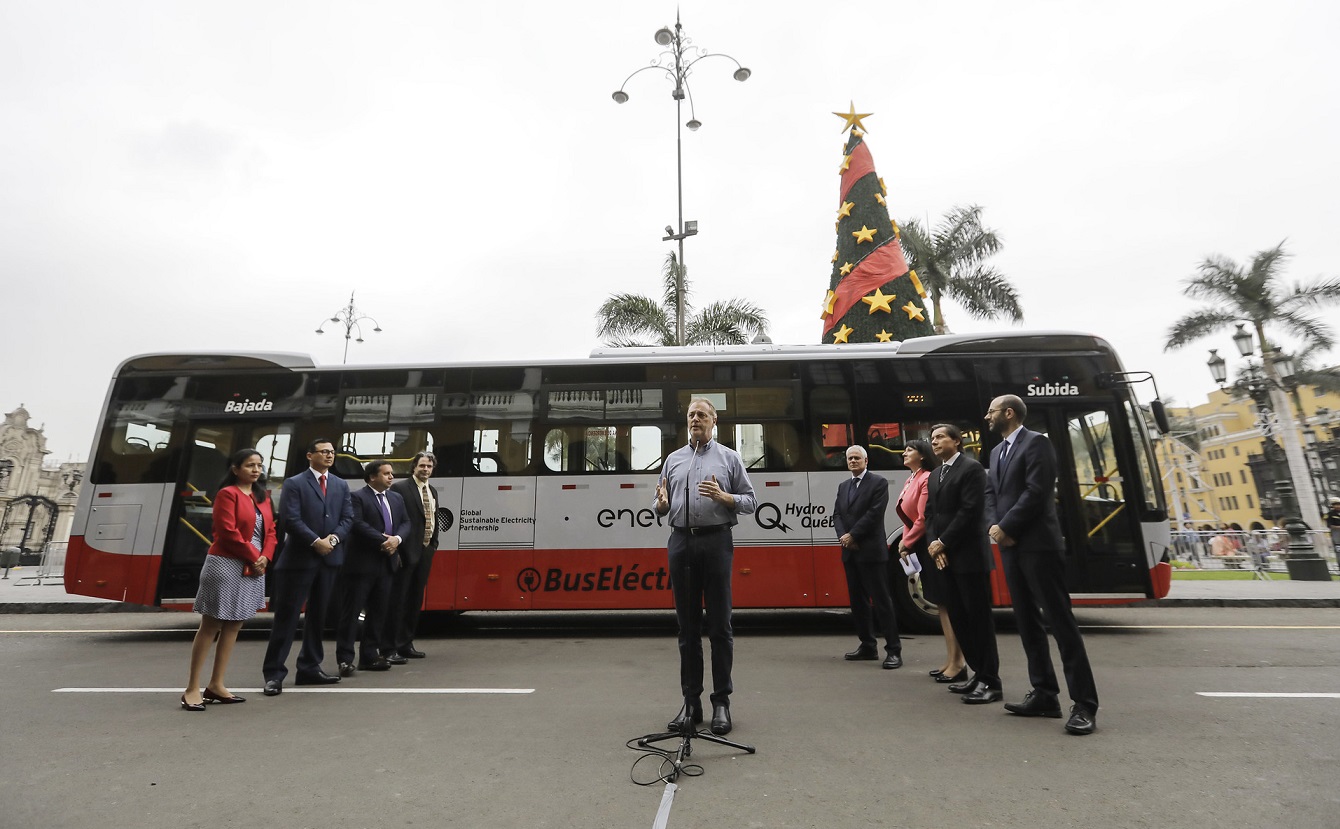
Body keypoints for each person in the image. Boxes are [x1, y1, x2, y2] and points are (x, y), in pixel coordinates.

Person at [984, 394, 1099, 736]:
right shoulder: (996, 451)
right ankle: (1045, 694)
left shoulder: (1038, 444)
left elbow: (1036, 492)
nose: (986, 416)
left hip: (1038, 546)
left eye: (991, 411)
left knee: (1060, 623)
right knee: (1027, 623)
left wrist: (1007, 527)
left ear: (1008, 412)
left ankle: (1084, 705)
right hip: (1010, 547)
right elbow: (992, 494)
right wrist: (995, 527)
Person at [653, 397, 757, 736]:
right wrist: (661, 505)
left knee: (719, 626)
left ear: (714, 422)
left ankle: (721, 702)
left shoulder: (729, 458)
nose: (695, 419)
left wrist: (725, 497)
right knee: (686, 630)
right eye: (690, 415)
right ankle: (691, 703)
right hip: (681, 542)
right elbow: (660, 505)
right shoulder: (673, 459)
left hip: (715, 542)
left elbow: (750, 501)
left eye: (701, 415)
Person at [181, 448, 276, 711]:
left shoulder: (263, 497)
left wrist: (265, 557)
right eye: (249, 465)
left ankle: (216, 684)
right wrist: (255, 556)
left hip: (254, 566)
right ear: (235, 469)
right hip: (226, 564)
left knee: (235, 624)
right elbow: (226, 532)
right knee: (211, 625)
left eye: (259, 465)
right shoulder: (227, 494)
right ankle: (192, 688)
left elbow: (272, 531)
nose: (256, 470)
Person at [261, 438, 354, 696]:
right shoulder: (294, 483)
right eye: (324, 452)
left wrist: (333, 540)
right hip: (299, 561)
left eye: (332, 452)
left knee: (318, 617)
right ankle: (274, 674)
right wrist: (316, 542)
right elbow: (291, 519)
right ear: (310, 455)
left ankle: (310, 668)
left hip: (330, 559)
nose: (329, 455)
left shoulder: (340, 484)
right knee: (287, 618)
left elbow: (348, 518)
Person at [925, 423, 1002, 705]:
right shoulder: (935, 475)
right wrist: (934, 545)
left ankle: (991, 681)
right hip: (945, 558)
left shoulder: (971, 469)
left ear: (957, 441)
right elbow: (929, 515)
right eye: (932, 439)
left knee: (979, 619)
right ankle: (977, 674)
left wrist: (943, 542)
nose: (934, 442)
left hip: (969, 557)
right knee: (959, 618)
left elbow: (971, 511)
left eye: (940, 437)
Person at [896, 439, 966, 684]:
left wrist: (907, 542)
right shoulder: (911, 478)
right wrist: (906, 542)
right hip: (920, 544)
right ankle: (951, 660)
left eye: (909, 450)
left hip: (930, 546)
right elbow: (909, 518)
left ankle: (958, 662)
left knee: (948, 605)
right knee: (942, 606)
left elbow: (924, 517)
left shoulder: (925, 478)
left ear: (922, 456)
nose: (904, 453)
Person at [336, 460, 411, 675]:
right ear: (372, 477)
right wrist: (382, 540)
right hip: (361, 564)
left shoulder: (396, 498)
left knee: (378, 612)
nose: (391, 477)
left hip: (387, 563)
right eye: (386, 473)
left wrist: (396, 539)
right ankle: (345, 659)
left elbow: (406, 523)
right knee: (351, 613)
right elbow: (357, 524)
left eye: (391, 473)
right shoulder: (357, 497)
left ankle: (369, 655)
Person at [834, 445, 902, 669]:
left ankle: (893, 650)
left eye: (857, 458)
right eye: (850, 458)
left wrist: (853, 535)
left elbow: (875, 513)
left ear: (866, 460)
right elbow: (837, 514)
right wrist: (844, 537)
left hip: (871, 552)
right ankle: (867, 645)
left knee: (881, 601)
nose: (853, 461)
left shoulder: (879, 483)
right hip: (850, 554)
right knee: (858, 602)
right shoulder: (844, 486)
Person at [388, 451, 440, 659]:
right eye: (422, 466)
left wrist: (433, 544)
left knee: (415, 600)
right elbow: (394, 520)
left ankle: (405, 644)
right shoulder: (400, 488)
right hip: (405, 552)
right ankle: (390, 647)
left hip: (425, 551)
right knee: (398, 600)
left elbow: (433, 518)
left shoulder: (433, 490)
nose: (425, 469)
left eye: (429, 466)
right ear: (414, 467)